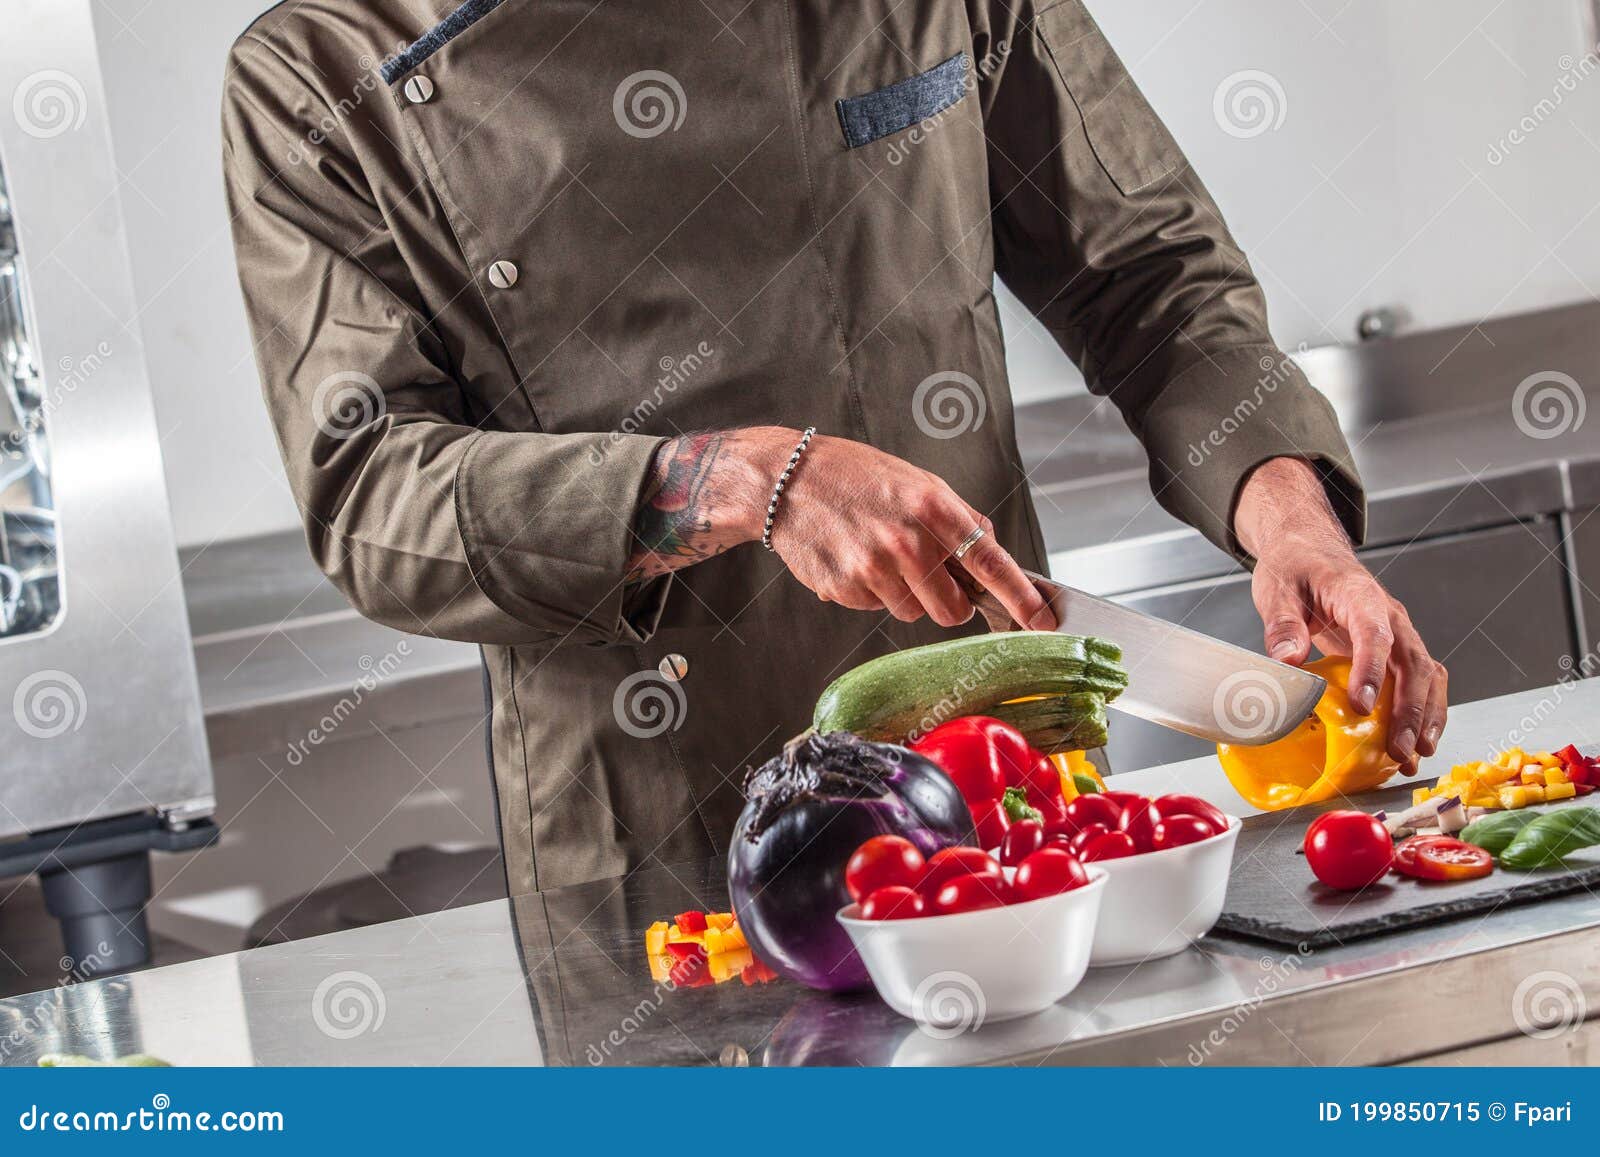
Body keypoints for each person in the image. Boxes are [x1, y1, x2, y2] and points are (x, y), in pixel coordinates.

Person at [224, 0, 1446, 892]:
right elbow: (370, 492)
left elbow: (1149, 276)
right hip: (664, 823)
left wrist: (1290, 517)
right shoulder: (317, 72)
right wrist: (741, 480)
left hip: (993, 766)